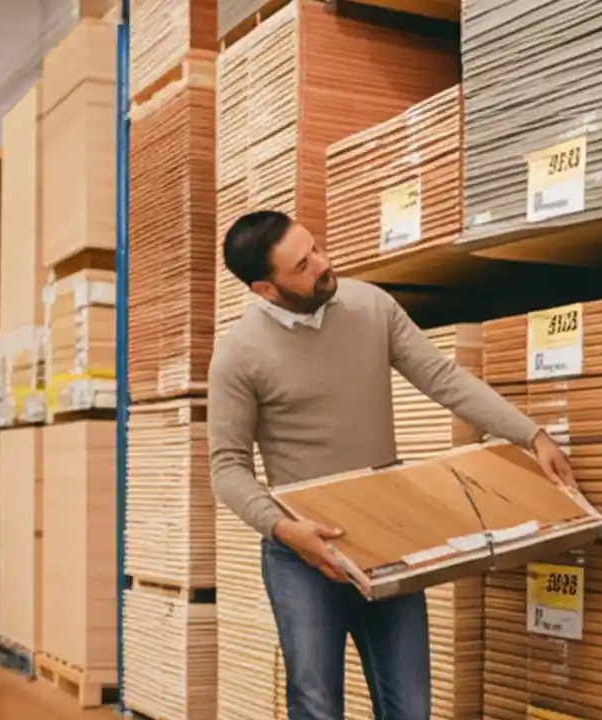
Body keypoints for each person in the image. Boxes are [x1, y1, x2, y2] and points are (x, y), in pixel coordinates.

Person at [207, 210, 576, 720]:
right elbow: (227, 467)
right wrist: (284, 529)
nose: (323, 263)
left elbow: (444, 378)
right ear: (266, 290)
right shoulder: (237, 354)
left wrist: (530, 434)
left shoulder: (369, 305)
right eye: (303, 264)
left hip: (389, 540)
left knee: (411, 709)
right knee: (316, 708)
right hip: (303, 556)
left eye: (315, 248)